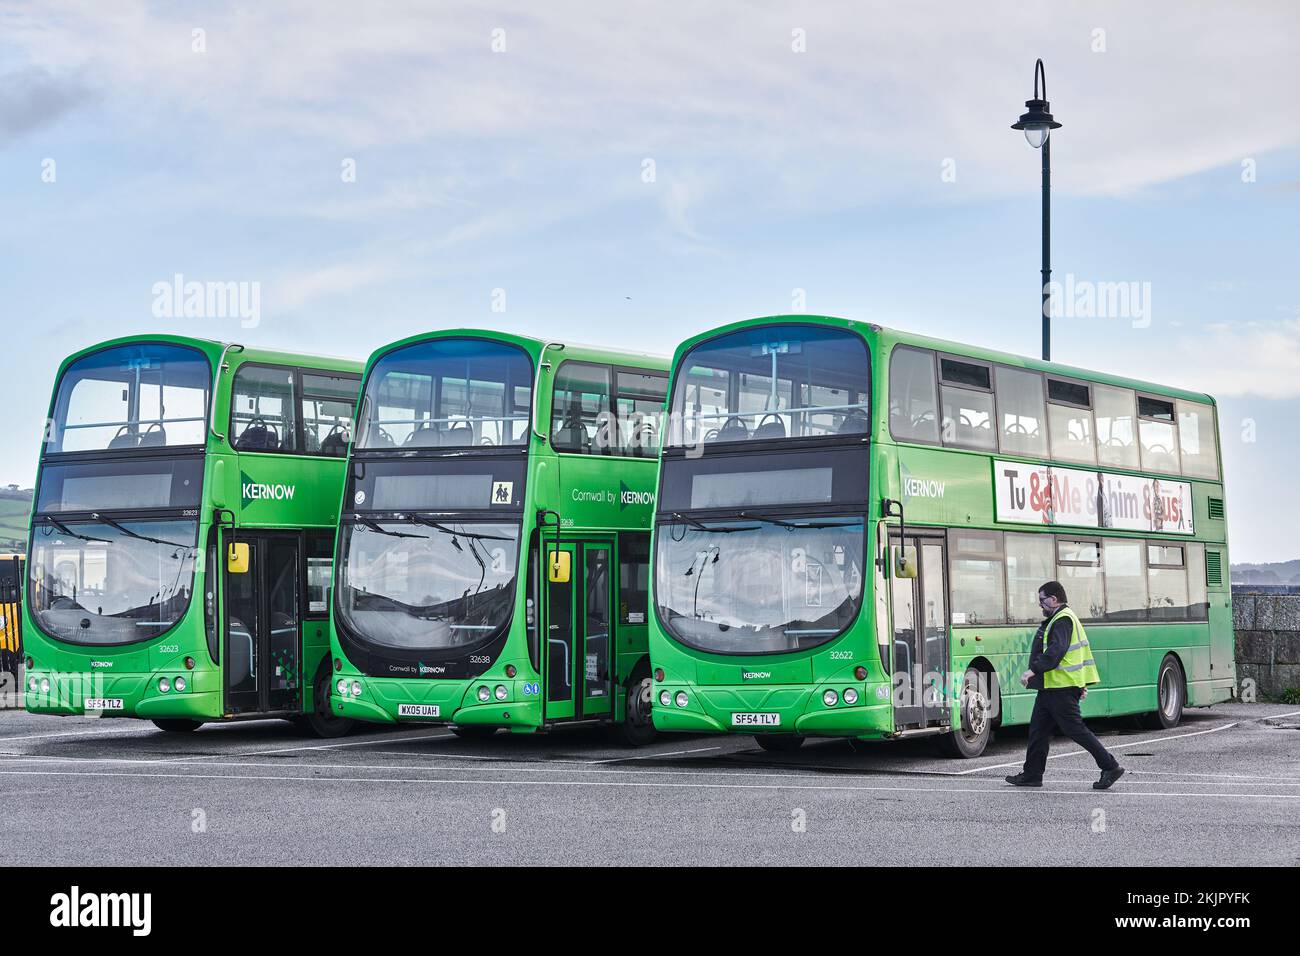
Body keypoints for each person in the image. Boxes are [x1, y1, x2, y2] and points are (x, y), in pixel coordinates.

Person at [1005, 581, 1125, 790]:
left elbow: (1056, 652)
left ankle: (1110, 766)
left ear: (1053, 599)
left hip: (1060, 688)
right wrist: (1081, 684)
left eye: (1042, 600)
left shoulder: (1062, 620)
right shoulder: (1060, 618)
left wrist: (1034, 670)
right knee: (1038, 731)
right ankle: (1032, 774)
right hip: (1052, 688)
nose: (1040, 605)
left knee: (1075, 730)